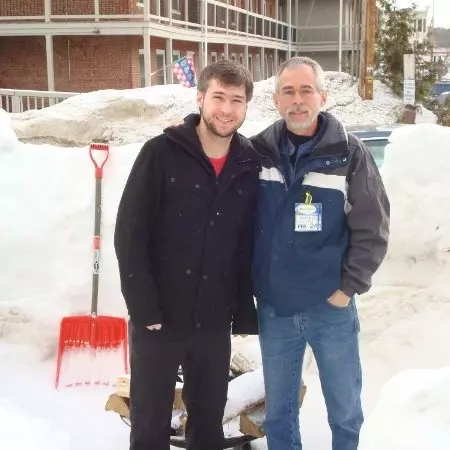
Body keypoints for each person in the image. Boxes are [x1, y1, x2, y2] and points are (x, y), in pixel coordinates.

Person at [114, 60, 260, 450]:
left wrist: (243, 309)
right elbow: (129, 235)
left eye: (236, 100)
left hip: (214, 318)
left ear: (246, 107)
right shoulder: (161, 154)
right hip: (160, 316)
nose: (226, 109)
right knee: (150, 424)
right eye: (218, 97)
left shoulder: (248, 163)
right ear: (200, 98)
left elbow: (245, 241)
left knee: (208, 422)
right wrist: (144, 308)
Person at [250, 56, 390, 450]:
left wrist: (347, 288)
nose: (298, 100)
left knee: (344, 410)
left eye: (306, 90)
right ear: (276, 100)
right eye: (289, 92)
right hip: (275, 308)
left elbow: (373, 229)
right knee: (278, 413)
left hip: (331, 307)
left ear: (323, 97)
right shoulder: (257, 153)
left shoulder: (350, 154)